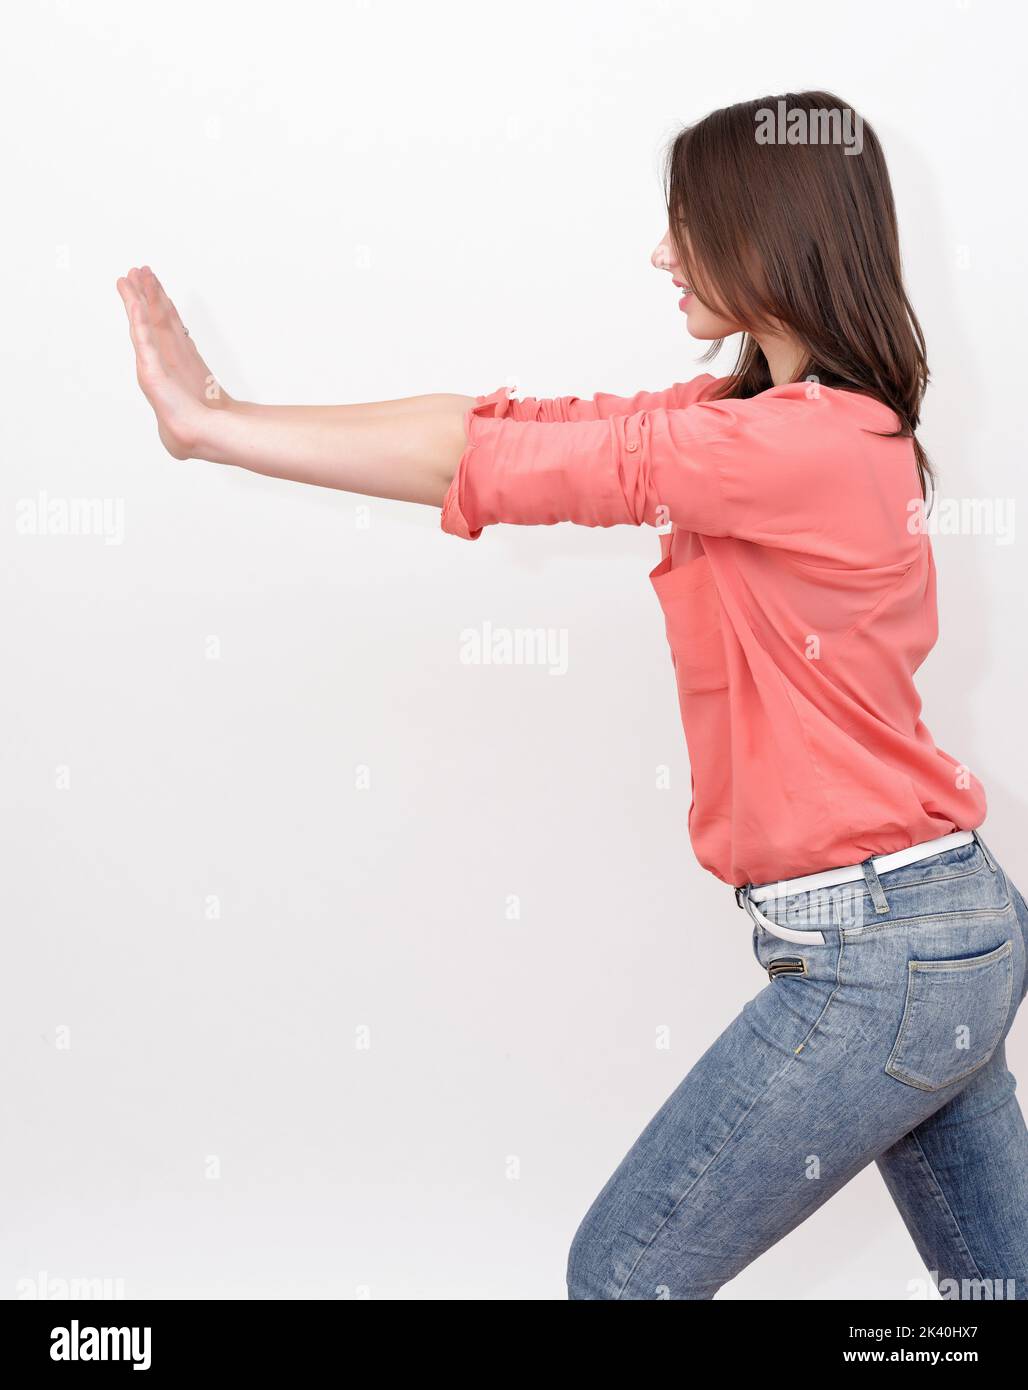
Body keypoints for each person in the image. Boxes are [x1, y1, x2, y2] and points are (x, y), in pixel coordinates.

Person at [115, 90, 1028, 1300]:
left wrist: (209, 431)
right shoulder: (753, 422)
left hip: (882, 956)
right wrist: (218, 417)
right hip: (928, 929)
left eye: (686, 222)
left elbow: (496, 462)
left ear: (772, 228)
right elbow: (511, 428)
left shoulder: (796, 447)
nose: (662, 252)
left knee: (623, 1273)